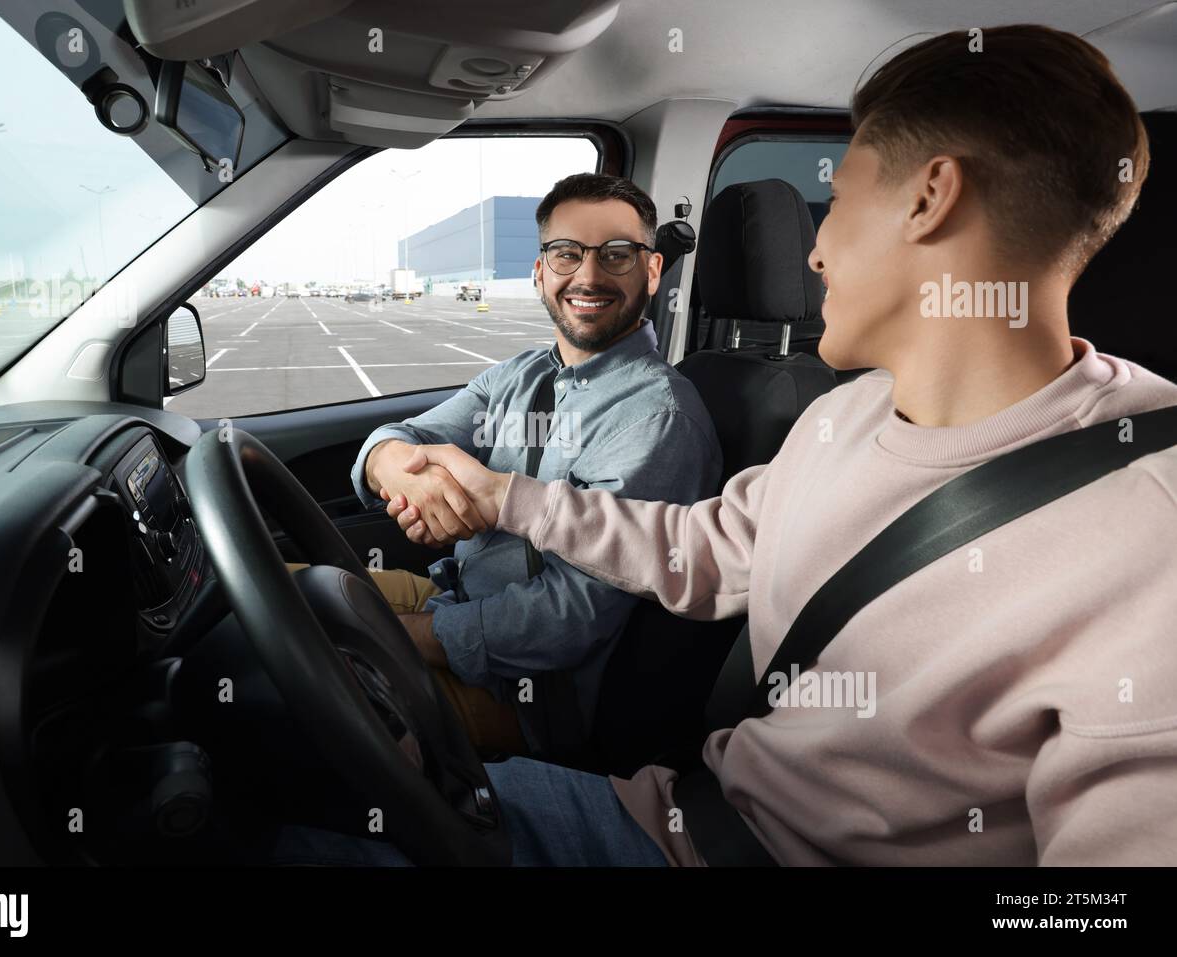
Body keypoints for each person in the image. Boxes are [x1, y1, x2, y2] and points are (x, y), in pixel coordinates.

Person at [356, 24, 1177, 866]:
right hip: (672, 816)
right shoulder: (844, 415)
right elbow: (701, 548)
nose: (815, 250)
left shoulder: (1152, 523)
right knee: (327, 790)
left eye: (839, 201)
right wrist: (504, 498)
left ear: (930, 198)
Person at [330, 173, 721, 759]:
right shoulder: (519, 376)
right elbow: (408, 436)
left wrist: (405, 639)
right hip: (449, 599)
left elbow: (568, 619)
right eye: (567, 254)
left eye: (617, 255)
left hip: (524, 697)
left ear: (652, 271)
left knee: (292, 702)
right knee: (275, 596)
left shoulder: (657, 420)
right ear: (542, 270)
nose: (588, 276)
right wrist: (397, 469)